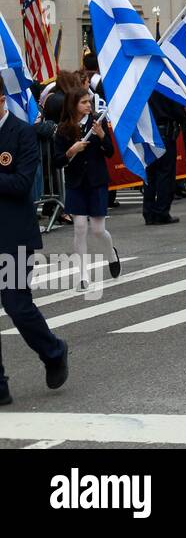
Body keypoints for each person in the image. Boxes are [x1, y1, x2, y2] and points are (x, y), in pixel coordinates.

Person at [0, 99, 70, 406]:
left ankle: (53, 351)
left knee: (17, 305)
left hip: (13, 236)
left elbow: (21, 184)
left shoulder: (22, 133)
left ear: (1, 100)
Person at [52, 89, 120, 288]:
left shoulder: (97, 123)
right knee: (80, 227)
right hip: (75, 183)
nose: (89, 106)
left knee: (98, 230)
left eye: (89, 102)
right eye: (84, 102)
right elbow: (57, 161)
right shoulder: (63, 129)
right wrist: (71, 151)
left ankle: (111, 254)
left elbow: (110, 152)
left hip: (96, 181)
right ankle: (83, 273)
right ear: (73, 105)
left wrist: (101, 136)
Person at [142, 92, 186, 225]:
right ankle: (161, 212)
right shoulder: (166, 85)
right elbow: (178, 111)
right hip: (164, 132)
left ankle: (149, 212)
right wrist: (183, 121)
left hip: (148, 132)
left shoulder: (144, 82)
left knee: (150, 174)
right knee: (165, 173)